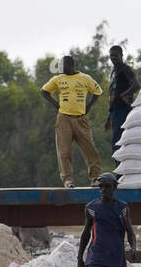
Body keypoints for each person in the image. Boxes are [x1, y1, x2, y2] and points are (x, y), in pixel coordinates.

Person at [41, 55, 103, 187]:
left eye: (63, 65)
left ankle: (95, 178)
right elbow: (44, 91)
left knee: (90, 150)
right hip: (64, 119)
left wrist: (89, 106)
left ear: (70, 65)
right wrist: (55, 104)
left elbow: (97, 91)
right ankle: (67, 180)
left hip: (81, 118)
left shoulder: (85, 78)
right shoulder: (58, 79)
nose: (61, 68)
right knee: (64, 151)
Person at [104, 45, 140, 154]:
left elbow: (136, 85)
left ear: (121, 55)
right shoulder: (115, 71)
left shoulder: (125, 69)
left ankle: (120, 169)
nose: (113, 58)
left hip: (123, 110)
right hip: (115, 111)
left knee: (119, 142)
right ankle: (119, 168)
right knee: (116, 141)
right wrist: (109, 118)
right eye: (111, 56)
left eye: (115, 55)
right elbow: (114, 95)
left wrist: (124, 94)